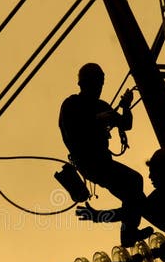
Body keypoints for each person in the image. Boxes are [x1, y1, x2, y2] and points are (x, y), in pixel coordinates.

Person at [59, 62, 151, 247]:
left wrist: (126, 107)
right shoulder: (72, 104)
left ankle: (127, 234)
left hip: (101, 162)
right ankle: (126, 233)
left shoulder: (101, 105)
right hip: (90, 162)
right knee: (134, 182)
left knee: (132, 195)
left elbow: (125, 123)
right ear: (84, 84)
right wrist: (95, 121)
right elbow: (69, 131)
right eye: (96, 83)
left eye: (100, 83)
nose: (99, 87)